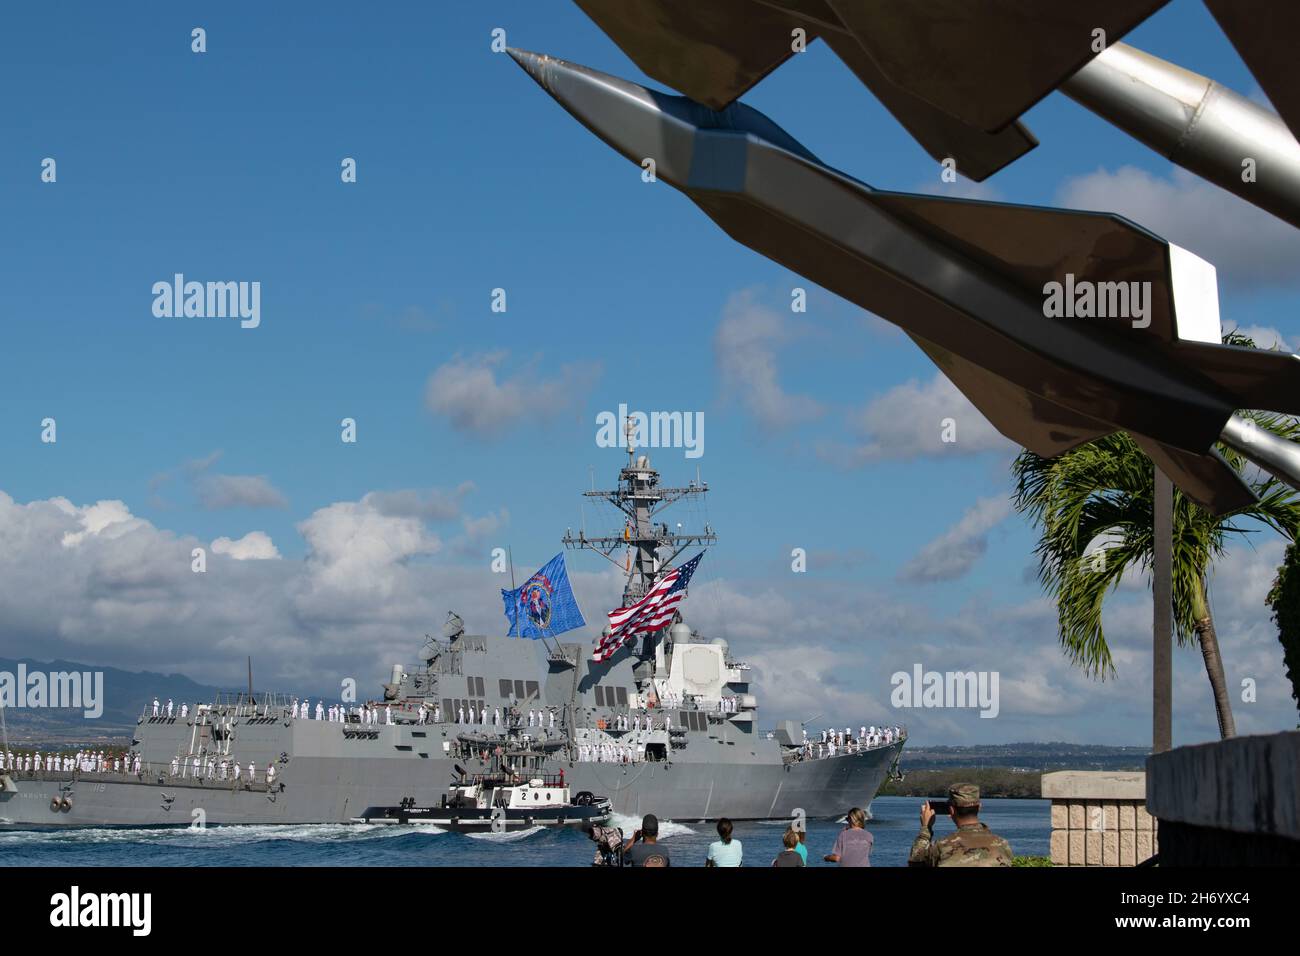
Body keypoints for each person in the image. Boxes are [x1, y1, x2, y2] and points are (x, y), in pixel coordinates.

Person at [908, 783, 1013, 867]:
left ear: (951, 810)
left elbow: (915, 862)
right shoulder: (1002, 844)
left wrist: (926, 828)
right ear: (979, 807)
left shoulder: (941, 846)